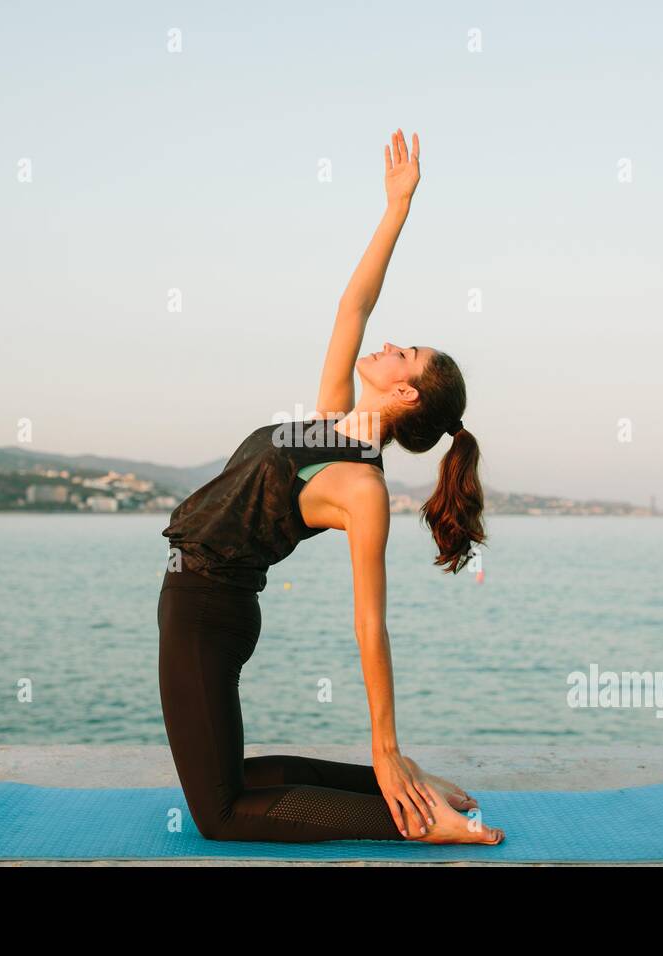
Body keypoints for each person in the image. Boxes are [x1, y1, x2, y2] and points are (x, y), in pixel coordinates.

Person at [158, 129, 503, 845]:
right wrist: (396, 210)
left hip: (205, 612)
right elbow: (353, 307)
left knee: (219, 816)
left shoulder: (362, 490)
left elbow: (370, 627)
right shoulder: (328, 422)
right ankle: (413, 784)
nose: (385, 345)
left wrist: (382, 742)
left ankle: (409, 819)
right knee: (242, 777)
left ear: (405, 391)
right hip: (201, 606)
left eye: (401, 352)